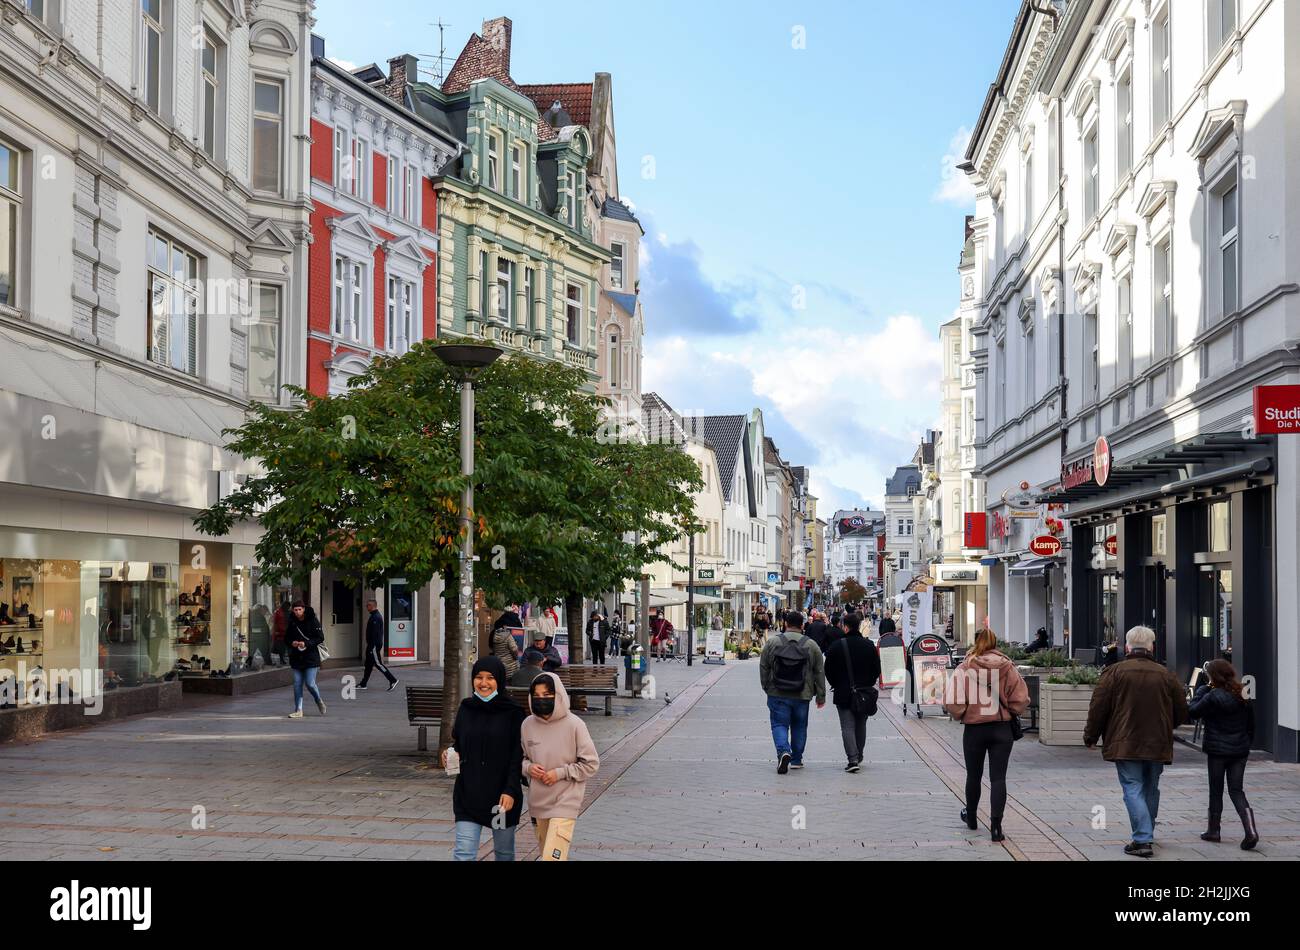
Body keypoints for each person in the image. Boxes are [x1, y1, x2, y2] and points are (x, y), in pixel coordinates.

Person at [1083, 625, 1188, 858]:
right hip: (1157, 741)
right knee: (1151, 786)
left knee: (1132, 786)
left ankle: (1142, 839)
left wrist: (1090, 736)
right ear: (1152, 647)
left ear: (1127, 646)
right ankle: (1146, 834)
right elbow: (1182, 711)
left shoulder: (1114, 672)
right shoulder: (1166, 675)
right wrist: (1166, 726)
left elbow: (1098, 708)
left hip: (1125, 741)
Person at [942, 628, 1029, 842]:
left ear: (975, 642)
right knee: (998, 778)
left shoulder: (965, 667)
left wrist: (963, 712)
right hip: (1001, 728)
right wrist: (1011, 710)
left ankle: (971, 817)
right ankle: (996, 827)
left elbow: (953, 702)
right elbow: (1021, 699)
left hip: (975, 729)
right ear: (995, 643)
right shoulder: (1007, 667)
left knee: (974, 775)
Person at [444, 657, 525, 861]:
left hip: (500, 800)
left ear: (499, 680)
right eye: (479, 677)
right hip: (468, 795)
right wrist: (451, 753)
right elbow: (459, 743)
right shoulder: (466, 708)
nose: (483, 683)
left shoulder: (513, 712)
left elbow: (517, 756)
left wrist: (510, 790)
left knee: (503, 854)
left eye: (490, 678)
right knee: (463, 854)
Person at [522, 671, 600, 861]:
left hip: (566, 801)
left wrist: (560, 773)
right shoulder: (527, 725)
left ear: (558, 695)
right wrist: (528, 768)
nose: (542, 700)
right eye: (537, 696)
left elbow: (591, 763)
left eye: (547, 696)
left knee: (551, 858)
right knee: (548, 854)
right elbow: (522, 758)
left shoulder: (575, 725)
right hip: (538, 802)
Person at [1188, 659, 1259, 850]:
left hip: (1218, 751)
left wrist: (1201, 690)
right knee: (1237, 790)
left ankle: (1214, 831)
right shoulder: (1243, 692)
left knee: (1216, 790)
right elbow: (1251, 724)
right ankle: (1251, 831)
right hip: (1239, 750)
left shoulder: (1212, 695)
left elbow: (1193, 712)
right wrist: (1246, 743)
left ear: (1213, 676)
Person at [758, 609, 826, 774]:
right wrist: (821, 695)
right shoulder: (811, 645)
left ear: (785, 624)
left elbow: (764, 666)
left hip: (777, 692)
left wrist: (767, 686)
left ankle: (783, 751)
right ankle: (796, 759)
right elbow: (819, 671)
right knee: (800, 726)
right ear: (802, 625)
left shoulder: (773, 642)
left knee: (779, 724)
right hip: (802, 694)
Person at [823, 612, 882, 772]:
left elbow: (828, 669)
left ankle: (852, 759)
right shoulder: (868, 645)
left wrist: (836, 683)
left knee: (847, 727)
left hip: (843, 692)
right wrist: (867, 682)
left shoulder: (836, 646)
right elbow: (877, 669)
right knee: (861, 724)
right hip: (864, 693)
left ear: (845, 627)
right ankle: (859, 754)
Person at [285, 601, 326, 719]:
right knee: (297, 683)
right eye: (295, 610)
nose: (297, 612)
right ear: (293, 610)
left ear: (304, 609)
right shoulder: (292, 621)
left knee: (310, 683)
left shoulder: (312, 620)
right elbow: (287, 638)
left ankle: (318, 700)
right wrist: (292, 643)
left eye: (299, 609)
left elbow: (320, 637)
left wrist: (306, 643)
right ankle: (298, 710)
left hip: (311, 657)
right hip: (297, 657)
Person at [358, 598, 398, 691]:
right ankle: (363, 683)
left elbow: (375, 634)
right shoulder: (374, 616)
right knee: (368, 664)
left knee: (378, 664)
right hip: (372, 645)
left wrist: (372, 647)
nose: (366, 607)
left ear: (372, 606)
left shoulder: (376, 617)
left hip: (374, 645)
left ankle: (392, 680)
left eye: (367, 605)